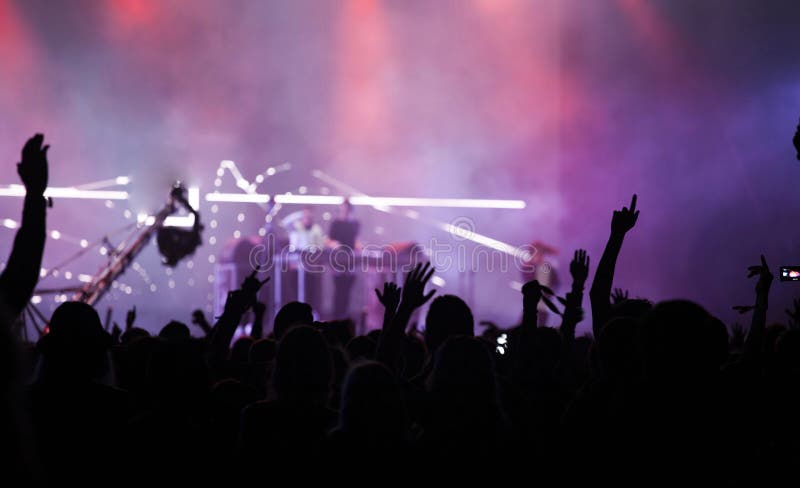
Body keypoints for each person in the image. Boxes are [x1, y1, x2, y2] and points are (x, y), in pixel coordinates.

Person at [327, 200, 360, 319]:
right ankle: (336, 316)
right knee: (338, 290)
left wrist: (358, 250)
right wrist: (336, 246)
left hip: (350, 261)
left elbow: (356, 241)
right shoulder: (335, 224)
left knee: (347, 290)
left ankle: (344, 316)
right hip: (338, 260)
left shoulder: (355, 224)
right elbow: (329, 240)